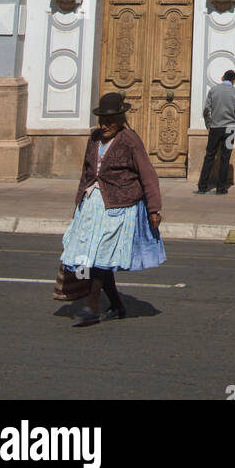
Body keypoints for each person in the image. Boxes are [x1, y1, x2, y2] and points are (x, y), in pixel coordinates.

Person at [60, 91, 164, 327]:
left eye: (109, 121)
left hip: (119, 205)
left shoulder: (130, 141)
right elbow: (86, 172)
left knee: (101, 253)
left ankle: (93, 305)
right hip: (92, 204)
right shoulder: (94, 138)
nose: (104, 125)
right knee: (91, 255)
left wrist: (154, 208)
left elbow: (148, 174)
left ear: (120, 119)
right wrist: (78, 201)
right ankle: (116, 305)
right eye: (102, 120)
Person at [198, 69, 235, 194]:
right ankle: (221, 187)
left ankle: (202, 186)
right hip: (230, 129)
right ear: (234, 80)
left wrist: (209, 125)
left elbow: (206, 111)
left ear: (223, 78)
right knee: (225, 157)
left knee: (209, 156)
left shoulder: (213, 90)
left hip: (215, 128)